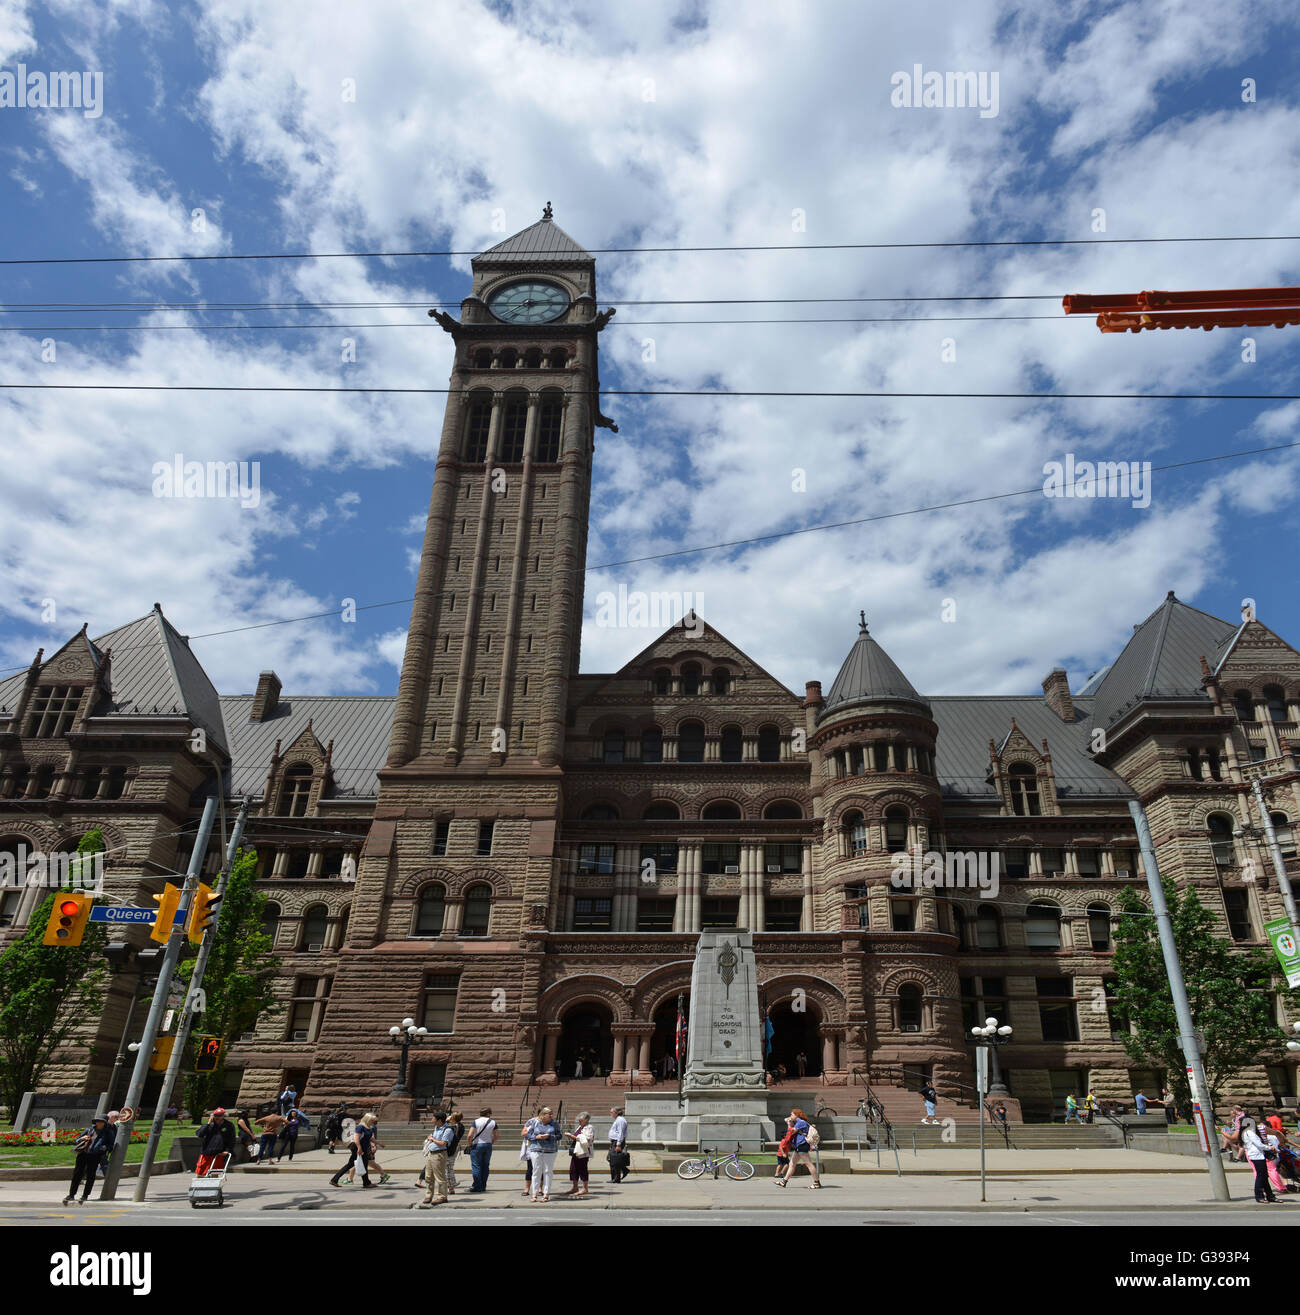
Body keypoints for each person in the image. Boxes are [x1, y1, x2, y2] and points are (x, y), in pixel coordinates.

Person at [63, 1114, 116, 1205]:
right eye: (97, 1121)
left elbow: (111, 1145)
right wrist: (81, 1138)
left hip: (95, 1156)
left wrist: (103, 1148)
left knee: (90, 1175)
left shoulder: (108, 1132)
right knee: (77, 1174)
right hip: (83, 1154)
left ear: (104, 1123)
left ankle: (85, 1195)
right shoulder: (89, 1130)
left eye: (101, 1122)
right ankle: (71, 1194)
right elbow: (76, 1140)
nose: (98, 1123)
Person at [330, 1112, 377, 1189]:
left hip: (363, 1149)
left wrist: (377, 1144)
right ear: (367, 1119)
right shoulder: (360, 1127)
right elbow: (356, 1138)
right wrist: (359, 1148)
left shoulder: (368, 1127)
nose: (373, 1122)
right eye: (372, 1120)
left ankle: (366, 1182)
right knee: (351, 1164)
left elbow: (369, 1138)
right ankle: (334, 1180)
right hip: (358, 1149)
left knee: (363, 1164)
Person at [776, 1107, 820, 1189]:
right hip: (799, 1145)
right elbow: (790, 1133)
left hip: (802, 1145)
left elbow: (790, 1133)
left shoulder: (800, 1122)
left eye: (791, 1114)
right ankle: (784, 1181)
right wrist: (791, 1124)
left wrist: (789, 1124)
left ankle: (816, 1183)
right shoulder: (798, 1122)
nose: (790, 1116)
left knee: (808, 1164)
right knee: (792, 1164)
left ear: (796, 1115)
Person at [417, 1110, 454, 1207]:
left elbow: (443, 1143)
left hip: (439, 1154)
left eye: (433, 1118)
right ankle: (429, 1195)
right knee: (428, 1176)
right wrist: (431, 1137)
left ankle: (443, 1196)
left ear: (439, 1120)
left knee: (440, 1177)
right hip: (431, 1153)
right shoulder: (436, 1128)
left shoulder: (447, 1130)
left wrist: (432, 1139)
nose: (432, 1119)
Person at [1240, 1118, 1280, 1204]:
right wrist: (1270, 1148)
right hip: (1256, 1156)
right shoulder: (1250, 1132)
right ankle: (1259, 1196)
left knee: (1264, 1176)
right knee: (1261, 1176)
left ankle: (1270, 1196)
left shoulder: (1246, 1132)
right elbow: (1259, 1144)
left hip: (1258, 1155)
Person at [526, 1106, 560, 1202]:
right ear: (543, 1115)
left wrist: (549, 1136)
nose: (551, 1115)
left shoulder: (554, 1124)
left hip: (550, 1150)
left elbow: (559, 1136)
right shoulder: (535, 1123)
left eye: (552, 1113)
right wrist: (536, 1137)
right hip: (536, 1149)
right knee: (536, 1171)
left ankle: (546, 1194)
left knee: (548, 1171)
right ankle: (534, 1194)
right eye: (550, 1114)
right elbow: (528, 1134)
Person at [194, 1108, 235, 1177]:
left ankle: (213, 1186)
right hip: (207, 1152)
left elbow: (231, 1139)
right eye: (215, 1115)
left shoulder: (229, 1125)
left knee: (215, 1172)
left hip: (219, 1153)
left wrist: (227, 1150)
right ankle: (198, 1186)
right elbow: (200, 1134)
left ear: (223, 1116)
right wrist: (208, 1123)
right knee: (201, 1172)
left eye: (219, 1115)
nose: (217, 1117)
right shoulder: (210, 1125)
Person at [563, 1112, 595, 1198]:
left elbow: (587, 1139)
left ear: (586, 1120)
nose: (579, 1122)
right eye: (579, 1120)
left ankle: (585, 1188)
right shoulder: (580, 1127)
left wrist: (571, 1136)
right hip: (576, 1151)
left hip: (583, 1152)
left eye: (581, 1120)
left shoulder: (589, 1127)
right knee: (573, 1169)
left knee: (582, 1169)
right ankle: (575, 1187)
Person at [466, 1108, 497, 1193]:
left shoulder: (476, 1122)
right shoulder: (493, 1122)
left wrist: (469, 1144)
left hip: (477, 1145)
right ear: (488, 1114)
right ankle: (483, 1185)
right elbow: (496, 1135)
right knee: (485, 1166)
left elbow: (469, 1135)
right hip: (488, 1144)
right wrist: (491, 1142)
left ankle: (477, 1186)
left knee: (476, 1166)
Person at [444, 1110, 464, 1193]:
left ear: (453, 1118)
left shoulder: (453, 1127)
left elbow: (443, 1129)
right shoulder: (461, 1126)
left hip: (450, 1149)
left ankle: (451, 1185)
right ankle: (451, 1186)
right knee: (450, 1167)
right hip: (456, 1148)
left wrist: (446, 1121)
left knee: (447, 1168)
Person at [608, 1106, 629, 1184]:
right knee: (611, 1159)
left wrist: (618, 1144)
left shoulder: (620, 1120)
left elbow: (621, 1133)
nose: (610, 1114)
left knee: (614, 1160)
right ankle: (623, 1170)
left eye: (611, 1112)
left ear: (616, 1113)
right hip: (614, 1141)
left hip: (617, 1142)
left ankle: (616, 1178)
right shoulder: (618, 1120)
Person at [775, 1115, 796, 1179]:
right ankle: (781, 1173)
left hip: (781, 1154)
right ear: (785, 1136)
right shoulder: (784, 1140)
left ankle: (777, 1174)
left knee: (780, 1164)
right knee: (788, 1164)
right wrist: (784, 1153)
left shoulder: (786, 1140)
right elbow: (781, 1147)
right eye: (786, 1135)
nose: (788, 1135)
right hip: (782, 1154)